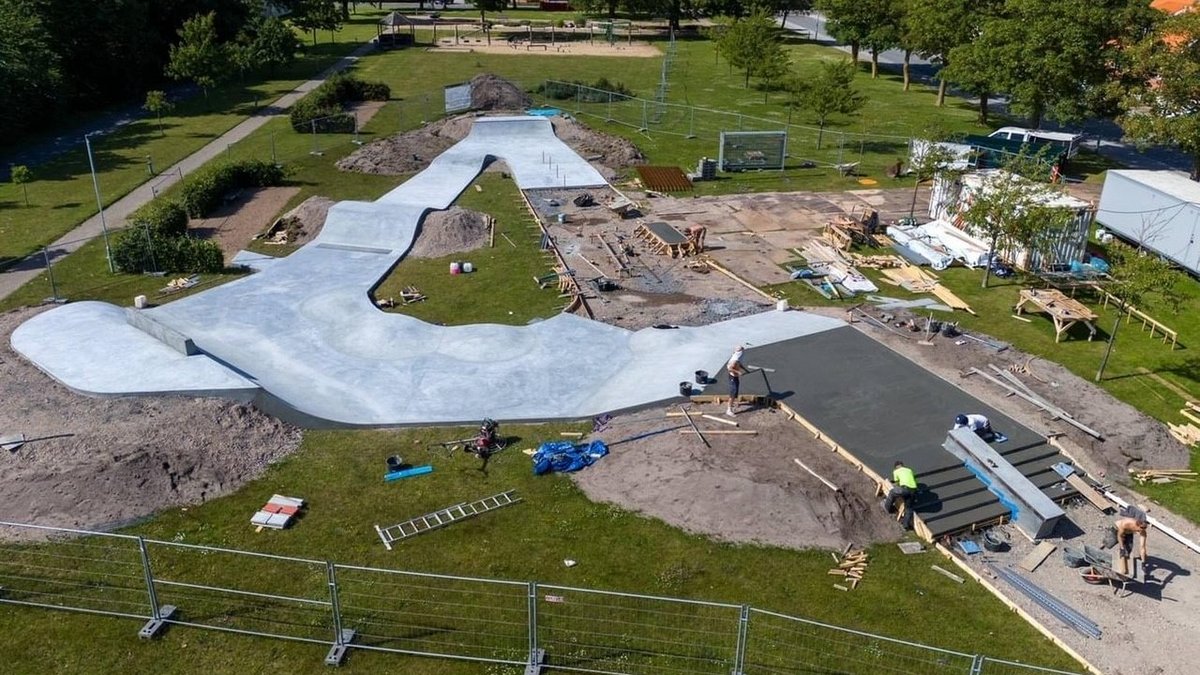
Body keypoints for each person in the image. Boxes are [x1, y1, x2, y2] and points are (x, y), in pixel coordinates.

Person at [1113, 509, 1150, 577]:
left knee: (1128, 549)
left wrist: (1143, 563)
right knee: (1110, 542)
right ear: (1137, 525)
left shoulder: (1143, 531)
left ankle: (1122, 566)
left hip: (1129, 532)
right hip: (1117, 528)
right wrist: (1121, 547)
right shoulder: (1126, 523)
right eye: (1140, 529)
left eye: (1143, 529)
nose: (1141, 531)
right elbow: (1119, 536)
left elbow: (1142, 547)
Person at [883, 461, 918, 529]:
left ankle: (887, 508)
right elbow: (915, 481)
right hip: (913, 490)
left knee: (892, 492)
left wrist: (892, 484)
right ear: (902, 465)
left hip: (904, 489)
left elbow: (897, 483)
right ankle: (905, 526)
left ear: (896, 467)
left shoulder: (896, 471)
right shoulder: (909, 470)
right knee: (909, 508)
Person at [725, 346, 747, 417]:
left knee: (735, 392)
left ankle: (732, 403)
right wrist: (738, 372)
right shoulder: (734, 360)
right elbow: (729, 368)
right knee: (733, 393)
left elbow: (739, 364)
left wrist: (744, 369)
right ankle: (729, 410)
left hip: (735, 377)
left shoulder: (737, 357)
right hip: (733, 378)